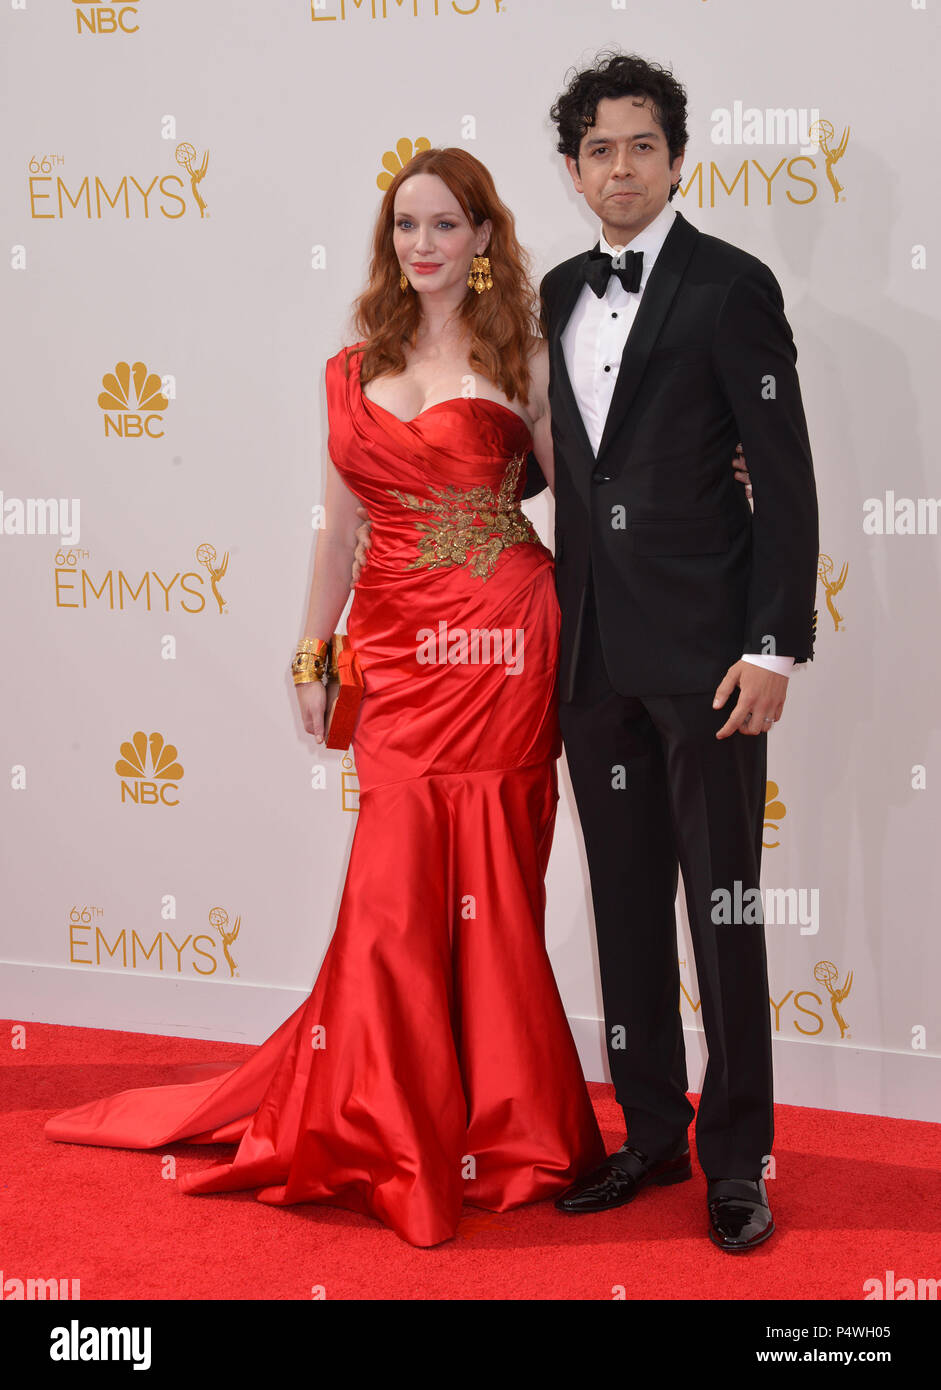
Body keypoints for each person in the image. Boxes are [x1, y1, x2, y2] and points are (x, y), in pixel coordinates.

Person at [45, 146, 752, 1249]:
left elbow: (599, 490)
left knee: (494, 884)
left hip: (506, 646)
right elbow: (338, 529)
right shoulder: (348, 366)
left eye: (444, 226)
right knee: (392, 888)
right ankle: (388, 1121)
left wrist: (718, 486)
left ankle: (497, 1126)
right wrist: (310, 650)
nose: (422, 245)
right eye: (404, 227)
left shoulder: (524, 355)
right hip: (396, 651)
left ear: (481, 241)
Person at [535, 52, 819, 1252]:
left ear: (675, 158)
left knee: (723, 912)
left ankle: (735, 1160)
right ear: (570, 168)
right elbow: (548, 463)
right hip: (591, 655)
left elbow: (787, 479)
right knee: (621, 910)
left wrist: (772, 644)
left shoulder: (730, 286)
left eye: (639, 145)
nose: (618, 167)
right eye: (597, 148)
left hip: (707, 659)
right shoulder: (549, 291)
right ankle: (647, 1131)